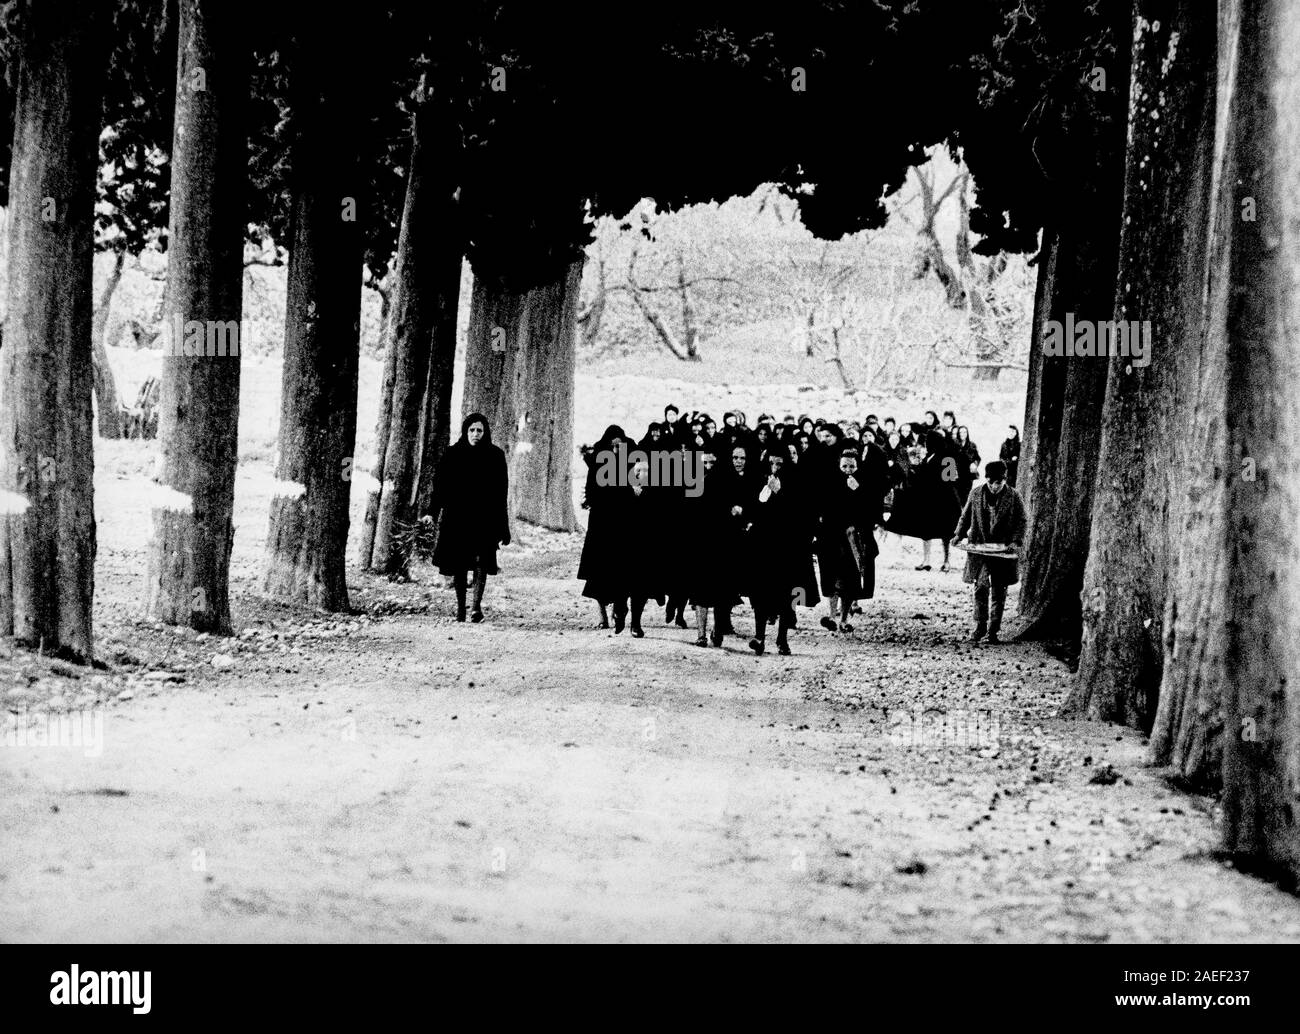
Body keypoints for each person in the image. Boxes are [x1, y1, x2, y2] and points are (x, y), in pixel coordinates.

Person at [429, 413, 510, 623]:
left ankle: (475, 607)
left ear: (486, 432)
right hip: (457, 518)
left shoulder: (495, 456)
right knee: (459, 563)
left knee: (482, 561)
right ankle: (460, 608)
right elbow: (440, 487)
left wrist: (504, 527)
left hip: (485, 519)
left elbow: (501, 494)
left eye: (480, 431)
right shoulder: (452, 454)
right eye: (472, 430)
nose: (476, 434)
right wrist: (431, 512)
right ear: (466, 431)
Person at [744, 451, 818, 655]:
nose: (774, 467)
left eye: (779, 463)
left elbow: (802, 512)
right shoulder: (759, 479)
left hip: (788, 546)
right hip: (763, 545)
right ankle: (759, 636)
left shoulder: (797, 481)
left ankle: (782, 638)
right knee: (760, 592)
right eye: (771, 463)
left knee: (787, 594)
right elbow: (753, 506)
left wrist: (780, 493)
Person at [952, 460, 1027, 644]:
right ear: (986, 479)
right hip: (980, 549)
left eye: (999, 483)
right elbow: (966, 516)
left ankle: (993, 630)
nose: (995, 486)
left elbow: (1022, 520)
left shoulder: (1014, 496)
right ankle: (979, 626)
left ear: (1004, 480)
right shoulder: (976, 493)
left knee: (999, 590)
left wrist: (1015, 541)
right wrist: (958, 535)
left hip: (1002, 551)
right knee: (981, 586)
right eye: (991, 482)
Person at [816, 448, 885, 632]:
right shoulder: (830, 482)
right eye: (844, 466)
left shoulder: (865, 483)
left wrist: (858, 490)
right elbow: (823, 509)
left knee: (851, 580)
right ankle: (831, 615)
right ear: (839, 465)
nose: (848, 469)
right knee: (833, 579)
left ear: (857, 466)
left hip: (855, 540)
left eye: (852, 466)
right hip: (832, 538)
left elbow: (870, 509)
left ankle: (844, 619)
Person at [886, 431, 963, 572]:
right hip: (930, 499)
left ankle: (946, 561)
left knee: (945, 532)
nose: (927, 444)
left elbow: (951, 478)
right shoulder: (929, 457)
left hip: (944, 499)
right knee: (926, 531)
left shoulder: (947, 457)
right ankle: (927, 560)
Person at [578, 425, 629, 629]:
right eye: (613, 445)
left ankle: (618, 608)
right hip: (601, 524)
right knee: (597, 572)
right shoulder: (598, 465)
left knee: (621, 570)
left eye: (620, 445)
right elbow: (591, 493)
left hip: (622, 525)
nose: (617, 449)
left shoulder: (628, 465)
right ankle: (602, 616)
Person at [954, 425, 980, 502]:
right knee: (957, 496)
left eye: (965, 432)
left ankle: (965, 512)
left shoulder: (972, 445)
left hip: (968, 475)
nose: (963, 434)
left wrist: (975, 464)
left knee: (966, 496)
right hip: (957, 474)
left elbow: (977, 458)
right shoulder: (954, 444)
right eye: (961, 432)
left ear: (967, 433)